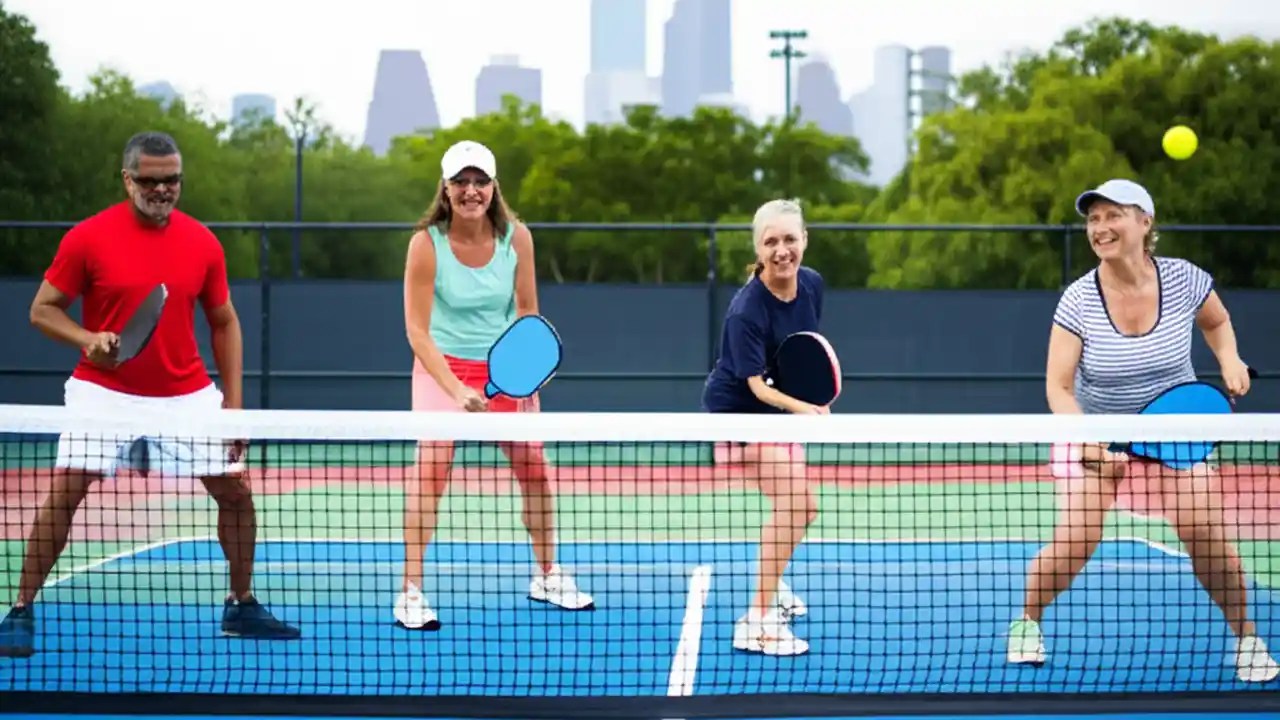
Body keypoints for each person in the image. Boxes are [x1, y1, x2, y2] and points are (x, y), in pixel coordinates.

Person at [0, 132, 300, 659]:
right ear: (127, 180)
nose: (162, 189)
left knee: (236, 494)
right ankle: (20, 609)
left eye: (172, 180)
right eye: (150, 180)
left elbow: (224, 321)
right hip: (103, 392)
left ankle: (241, 603)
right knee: (65, 494)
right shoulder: (87, 239)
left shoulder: (204, 242)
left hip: (186, 395)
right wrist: (87, 339)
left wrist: (234, 406)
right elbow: (42, 309)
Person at [1006, 179, 1278, 684]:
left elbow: (1216, 323)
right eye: (1093, 219)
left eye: (1114, 216)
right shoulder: (1078, 299)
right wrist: (1088, 441)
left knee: (1205, 533)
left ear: (1145, 223)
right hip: (1099, 434)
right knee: (1075, 544)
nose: (1101, 228)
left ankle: (1246, 638)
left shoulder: (1184, 280)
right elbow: (1059, 388)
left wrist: (1231, 359)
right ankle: (1027, 621)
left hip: (1173, 434)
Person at [397, 140, 594, 630]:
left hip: (504, 366)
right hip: (441, 370)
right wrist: (455, 389)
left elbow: (527, 311)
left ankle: (547, 575)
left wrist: (521, 376)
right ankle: (411, 591)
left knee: (535, 470)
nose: (471, 191)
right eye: (461, 182)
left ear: (493, 187)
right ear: (445, 188)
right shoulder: (426, 244)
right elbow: (417, 331)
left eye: (480, 181)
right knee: (432, 468)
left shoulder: (517, 239)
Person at [700, 198, 824, 657]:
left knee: (792, 508)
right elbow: (755, 385)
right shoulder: (745, 310)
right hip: (739, 416)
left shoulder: (811, 286)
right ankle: (755, 620)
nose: (782, 250)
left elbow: (801, 351)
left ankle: (770, 582)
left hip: (780, 413)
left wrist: (811, 399)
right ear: (757, 247)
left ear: (805, 240)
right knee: (799, 504)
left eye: (790, 239)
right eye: (771, 242)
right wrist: (804, 409)